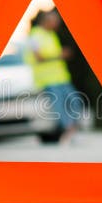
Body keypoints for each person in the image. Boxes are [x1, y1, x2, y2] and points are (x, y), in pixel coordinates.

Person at [26, 9, 81, 144]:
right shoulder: (35, 35)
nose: (57, 24)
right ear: (47, 21)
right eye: (55, 22)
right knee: (60, 107)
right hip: (48, 80)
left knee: (76, 102)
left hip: (61, 78)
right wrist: (60, 55)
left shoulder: (51, 35)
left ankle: (71, 130)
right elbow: (38, 57)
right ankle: (68, 130)